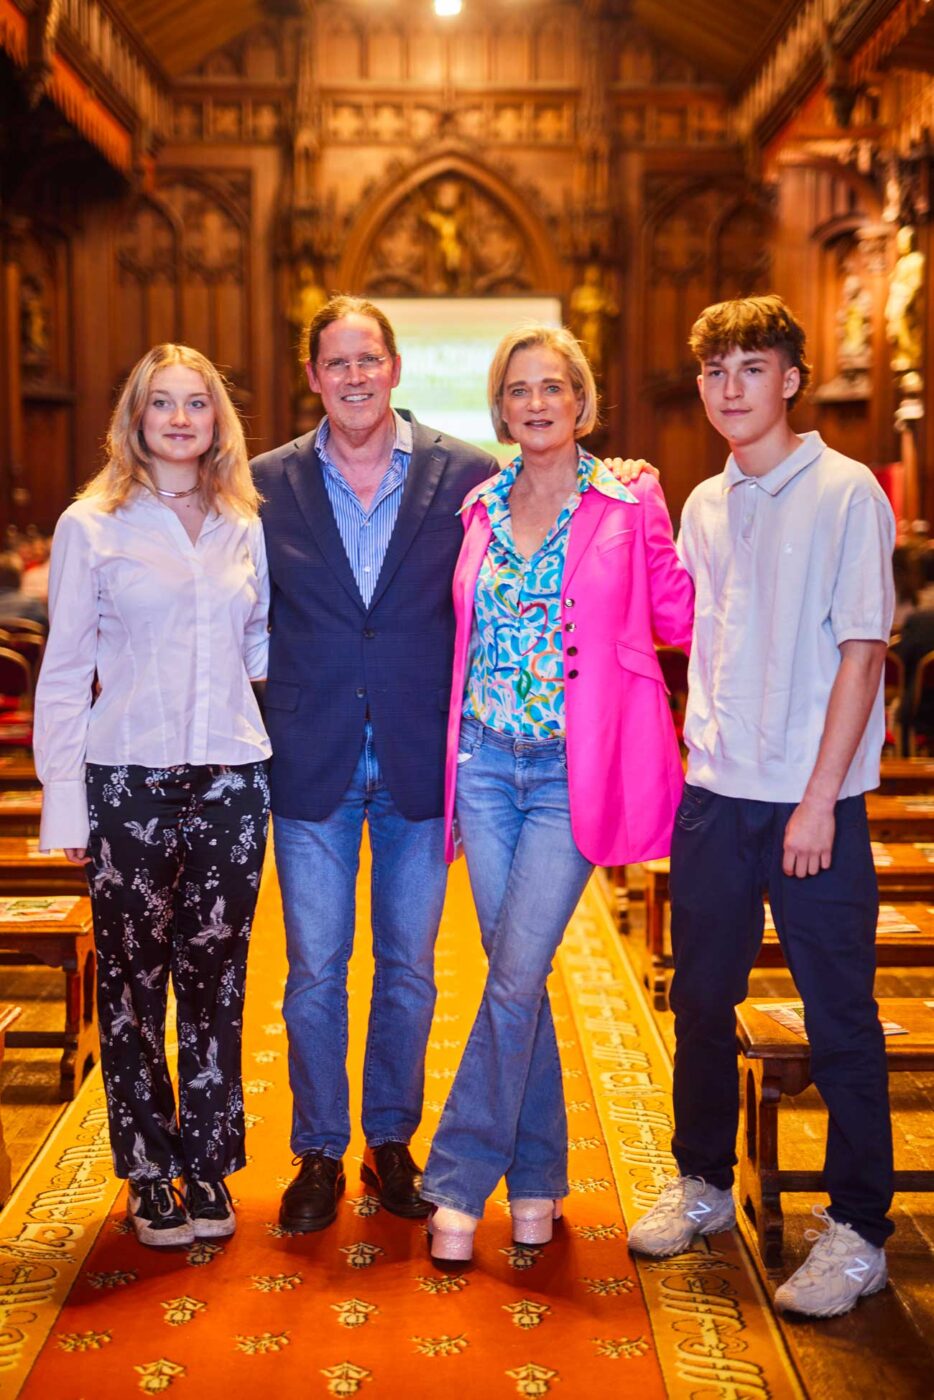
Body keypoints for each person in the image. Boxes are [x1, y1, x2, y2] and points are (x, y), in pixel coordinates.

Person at [627, 295, 896, 1320]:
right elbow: (674, 629)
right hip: (715, 795)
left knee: (838, 1019)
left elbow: (862, 652)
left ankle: (858, 1228)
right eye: (712, 371)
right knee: (699, 1001)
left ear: (790, 376)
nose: (728, 388)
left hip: (811, 799)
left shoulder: (844, 491)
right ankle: (700, 1176)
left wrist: (819, 798)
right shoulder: (702, 503)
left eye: (750, 366)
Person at [419, 325, 694, 1267]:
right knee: (515, 974)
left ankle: (454, 1178)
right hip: (486, 764)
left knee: (509, 974)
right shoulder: (479, 507)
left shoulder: (627, 498)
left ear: (581, 399)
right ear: (500, 407)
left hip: (575, 770)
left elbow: (675, 614)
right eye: (518, 389)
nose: (536, 402)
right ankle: (535, 1180)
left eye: (553, 386)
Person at [252, 295, 499, 1232]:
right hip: (308, 760)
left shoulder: (469, 474)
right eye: (335, 363)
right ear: (312, 376)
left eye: (369, 359)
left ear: (396, 367)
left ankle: (390, 1139)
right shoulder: (265, 481)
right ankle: (317, 1150)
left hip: (418, 761)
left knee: (408, 967)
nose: (354, 377)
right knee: (314, 969)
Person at [34, 345, 271, 1249]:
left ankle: (206, 1162)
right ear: (134, 417)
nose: (180, 418)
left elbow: (259, 650)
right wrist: (68, 806)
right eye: (161, 403)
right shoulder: (91, 525)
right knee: (135, 988)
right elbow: (62, 676)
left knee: (217, 983)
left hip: (230, 778)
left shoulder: (240, 520)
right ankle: (146, 1173)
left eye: (196, 404)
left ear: (218, 421)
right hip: (126, 779)